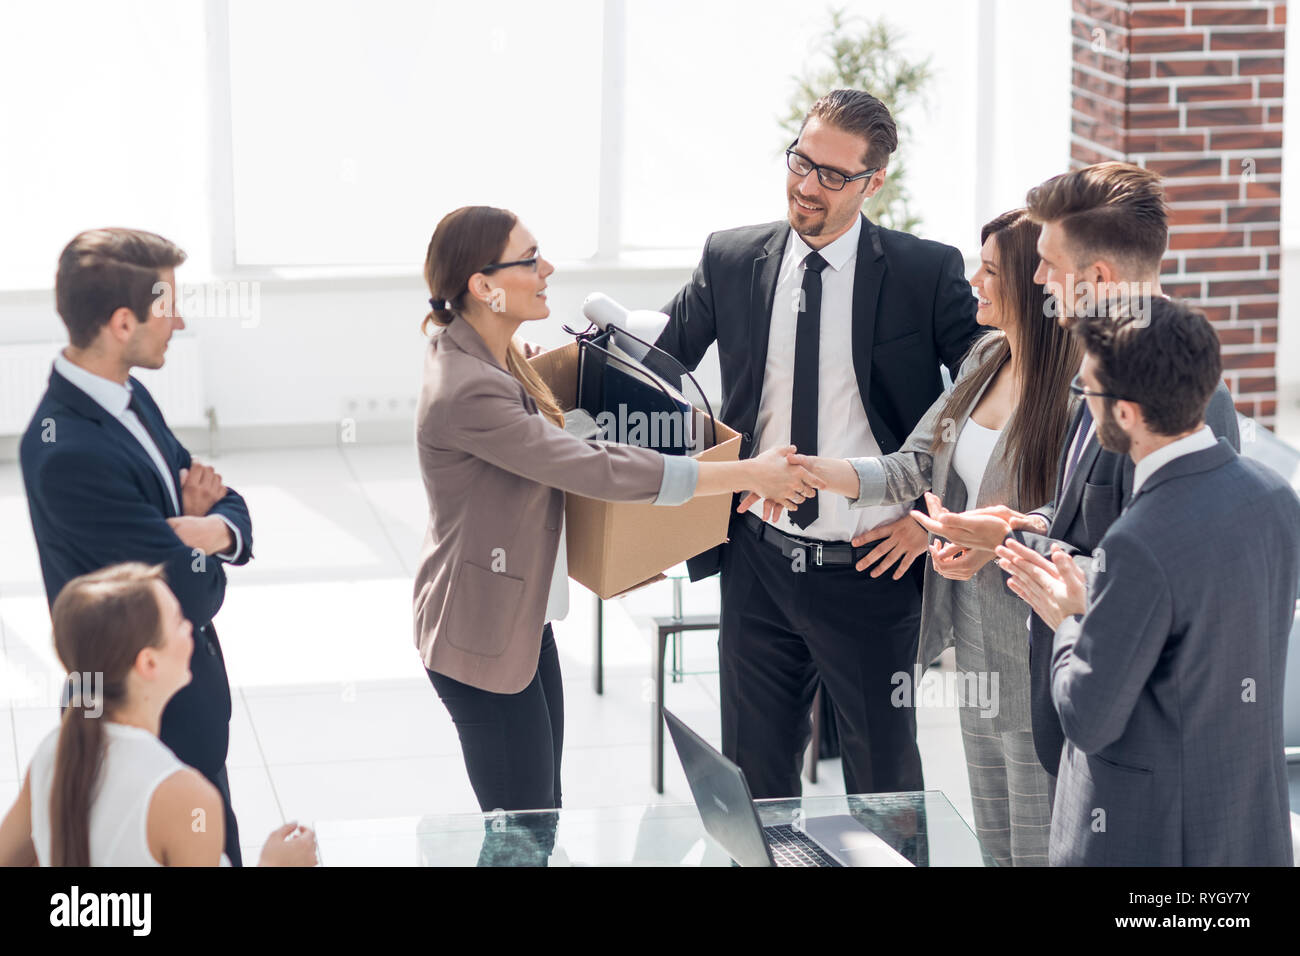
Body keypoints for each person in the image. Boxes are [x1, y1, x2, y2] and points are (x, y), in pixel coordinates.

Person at [415, 205, 824, 864]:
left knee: (537, 814)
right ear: (482, 285)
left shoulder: (483, 349)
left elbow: (555, 438)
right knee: (521, 835)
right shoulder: (470, 389)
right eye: (529, 260)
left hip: (522, 624)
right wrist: (743, 472)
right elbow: (591, 466)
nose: (546, 269)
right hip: (479, 637)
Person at [649, 88, 982, 799]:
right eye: (801, 160)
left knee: (883, 786)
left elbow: (1000, 401)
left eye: (831, 175)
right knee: (754, 780)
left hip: (872, 571)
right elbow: (653, 368)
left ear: (873, 182)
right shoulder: (732, 258)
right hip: (757, 562)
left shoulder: (925, 274)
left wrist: (935, 521)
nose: (806, 185)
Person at [905, 163, 1240, 798]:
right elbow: (1081, 517)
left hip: (1135, 747)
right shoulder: (1096, 373)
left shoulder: (1192, 401)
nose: (1036, 279)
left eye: (1048, 263)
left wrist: (1009, 545)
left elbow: (1174, 580)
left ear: (1098, 280)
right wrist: (1008, 529)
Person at [763, 210, 1081, 865]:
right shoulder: (986, 358)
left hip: (1035, 637)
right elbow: (914, 464)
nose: (974, 282)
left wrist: (997, 540)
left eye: (991, 271)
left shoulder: (1077, 390)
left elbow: (1076, 516)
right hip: (972, 629)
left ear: (1031, 281)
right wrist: (823, 472)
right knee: (993, 827)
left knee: (1040, 835)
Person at [995, 299, 1299, 866]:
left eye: (1087, 393)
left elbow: (1089, 717)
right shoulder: (1277, 498)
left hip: (1149, 843)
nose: (1082, 406)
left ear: (1127, 412)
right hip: (1247, 829)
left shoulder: (1138, 541)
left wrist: (1072, 621)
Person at [19, 228, 255, 865]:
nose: (178, 321)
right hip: (146, 713)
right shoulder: (68, 451)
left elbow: (220, 499)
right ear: (123, 322)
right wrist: (195, 528)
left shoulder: (127, 393)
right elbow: (190, 588)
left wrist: (213, 528)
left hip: (184, 703)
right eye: (167, 306)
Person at [0, 563, 316, 867]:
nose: (191, 627)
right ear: (149, 663)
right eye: (179, 620)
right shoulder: (189, 799)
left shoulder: (53, 754)